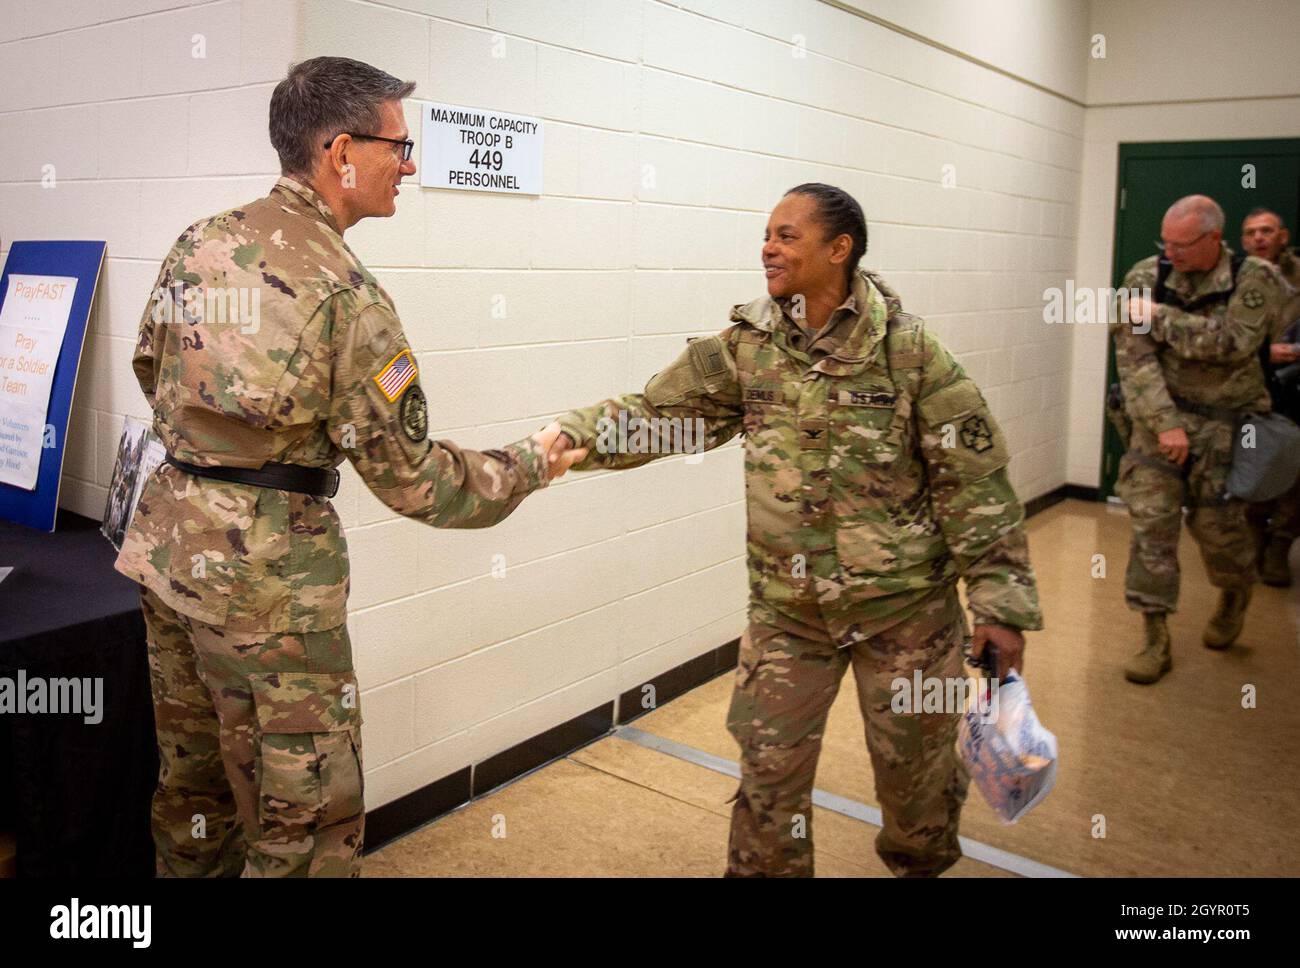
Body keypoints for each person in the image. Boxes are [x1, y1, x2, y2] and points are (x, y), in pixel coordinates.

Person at [114, 56, 586, 877]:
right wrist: (529, 466)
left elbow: (150, 370)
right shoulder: (346, 295)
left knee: (195, 794)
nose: (411, 165)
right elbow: (417, 483)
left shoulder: (200, 242)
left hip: (165, 555)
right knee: (305, 821)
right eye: (399, 146)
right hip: (272, 592)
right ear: (341, 151)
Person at [552, 183, 1042, 877]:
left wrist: (999, 605)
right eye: (767, 234)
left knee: (919, 791)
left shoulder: (910, 353)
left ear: (838, 249)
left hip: (904, 615)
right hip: (790, 616)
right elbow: (661, 415)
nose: (768, 247)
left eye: (786, 235)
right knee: (767, 785)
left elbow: (975, 483)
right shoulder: (748, 347)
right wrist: (567, 440)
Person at [1112, 195, 1284, 684]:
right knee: (1152, 525)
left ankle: (1234, 594)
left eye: (1183, 244)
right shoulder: (1147, 275)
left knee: (1218, 531)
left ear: (1213, 238)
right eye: (1165, 242)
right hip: (1158, 418)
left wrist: (1160, 318)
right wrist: (1165, 422)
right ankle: (1154, 635)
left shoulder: (1256, 278)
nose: (1172, 253)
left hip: (1228, 426)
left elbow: (1234, 343)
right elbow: (1135, 358)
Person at [1240, 207, 1300, 586]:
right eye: (1251, 233)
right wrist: (1264, 352)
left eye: (1266, 231)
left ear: (1283, 236)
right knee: (1253, 467)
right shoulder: (1233, 278)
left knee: (1297, 474)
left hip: (1296, 389)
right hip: (1250, 388)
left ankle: (1280, 544)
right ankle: (1255, 538)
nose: (1259, 238)